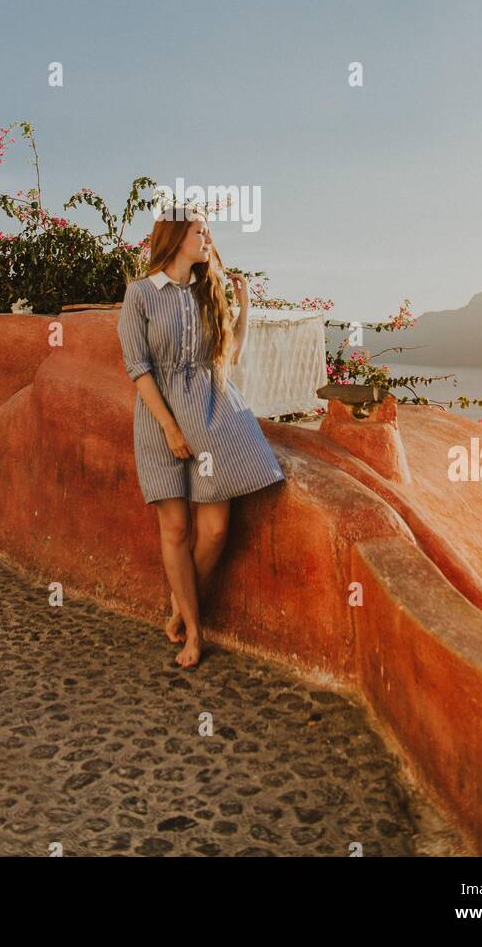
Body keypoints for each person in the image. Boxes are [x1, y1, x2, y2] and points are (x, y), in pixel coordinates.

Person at [116, 202, 286, 668]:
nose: (208, 239)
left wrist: (244, 305)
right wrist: (169, 426)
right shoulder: (141, 294)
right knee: (175, 527)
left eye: (209, 232)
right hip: (159, 418)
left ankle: (177, 605)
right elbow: (138, 367)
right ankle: (194, 629)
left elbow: (228, 357)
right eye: (199, 231)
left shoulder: (206, 291)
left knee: (214, 530)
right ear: (174, 238)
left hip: (211, 413)